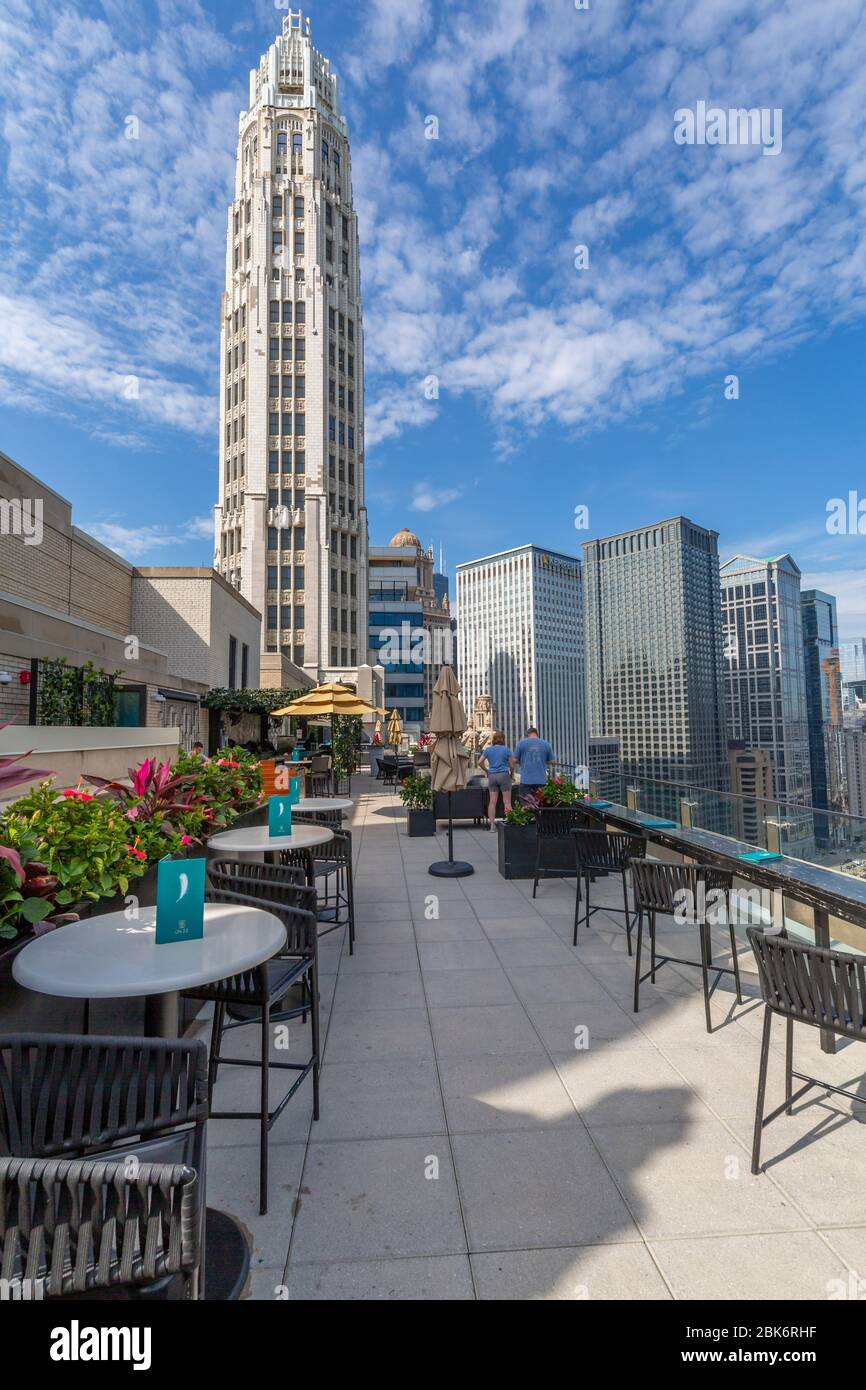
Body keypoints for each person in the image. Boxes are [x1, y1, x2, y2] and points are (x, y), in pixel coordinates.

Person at [477, 730, 516, 830]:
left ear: (494, 740)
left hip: (492, 776)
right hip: (503, 775)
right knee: (507, 802)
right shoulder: (506, 750)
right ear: (503, 739)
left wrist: (487, 770)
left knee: (492, 802)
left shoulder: (488, 750)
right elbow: (512, 765)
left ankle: (492, 826)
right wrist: (511, 775)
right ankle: (510, 823)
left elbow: (479, 762)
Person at [514, 726, 555, 802]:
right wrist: (544, 761)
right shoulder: (546, 744)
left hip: (526, 780)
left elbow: (514, 760)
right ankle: (538, 813)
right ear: (537, 734)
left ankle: (527, 812)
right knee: (539, 803)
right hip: (541, 780)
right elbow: (553, 762)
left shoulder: (521, 743)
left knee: (526, 804)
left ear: (528, 734)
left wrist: (521, 761)